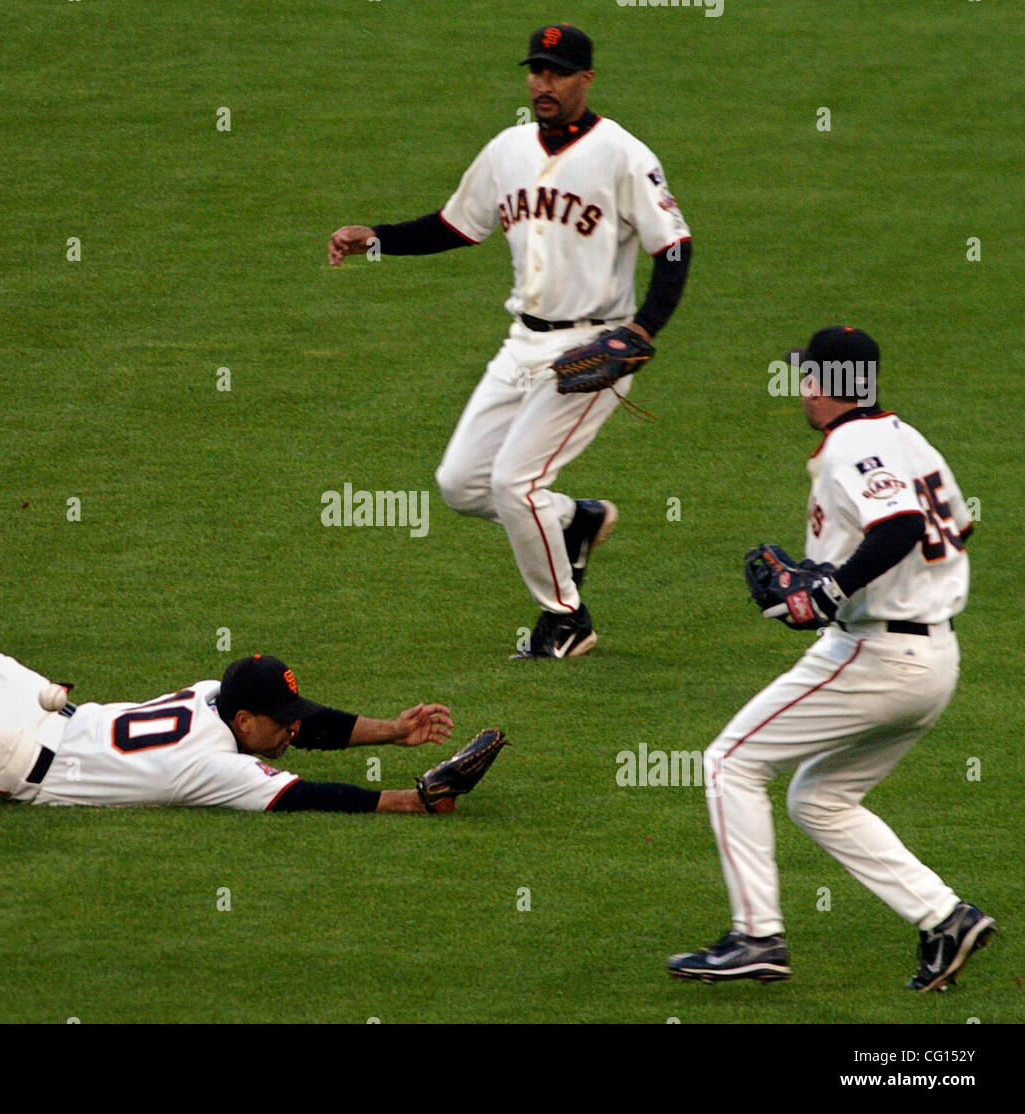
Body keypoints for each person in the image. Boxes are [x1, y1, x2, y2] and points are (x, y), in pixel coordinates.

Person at [328, 22, 692, 658]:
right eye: (536, 70)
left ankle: (566, 617)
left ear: (586, 79)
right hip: (522, 344)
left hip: (593, 348)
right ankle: (573, 522)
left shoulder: (625, 156)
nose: (542, 83)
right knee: (461, 483)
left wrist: (640, 331)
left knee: (512, 484)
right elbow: (456, 226)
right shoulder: (508, 149)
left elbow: (675, 247)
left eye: (556, 72)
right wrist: (378, 237)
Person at [0, 477, 481, 815]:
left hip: (26, 701)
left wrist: (391, 732)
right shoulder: (213, 766)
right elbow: (307, 795)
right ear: (245, 722)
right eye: (282, 720)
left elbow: (311, 725)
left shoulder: (210, 693)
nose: (293, 729)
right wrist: (408, 799)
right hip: (11, 751)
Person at [668, 327, 996, 992]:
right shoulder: (908, 438)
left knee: (730, 761)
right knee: (820, 798)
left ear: (827, 385)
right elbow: (954, 527)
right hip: (933, 660)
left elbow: (900, 526)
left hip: (875, 653)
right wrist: (823, 583)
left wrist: (830, 589)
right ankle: (944, 918)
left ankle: (756, 937)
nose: (800, 388)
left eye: (807, 376)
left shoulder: (853, 445)